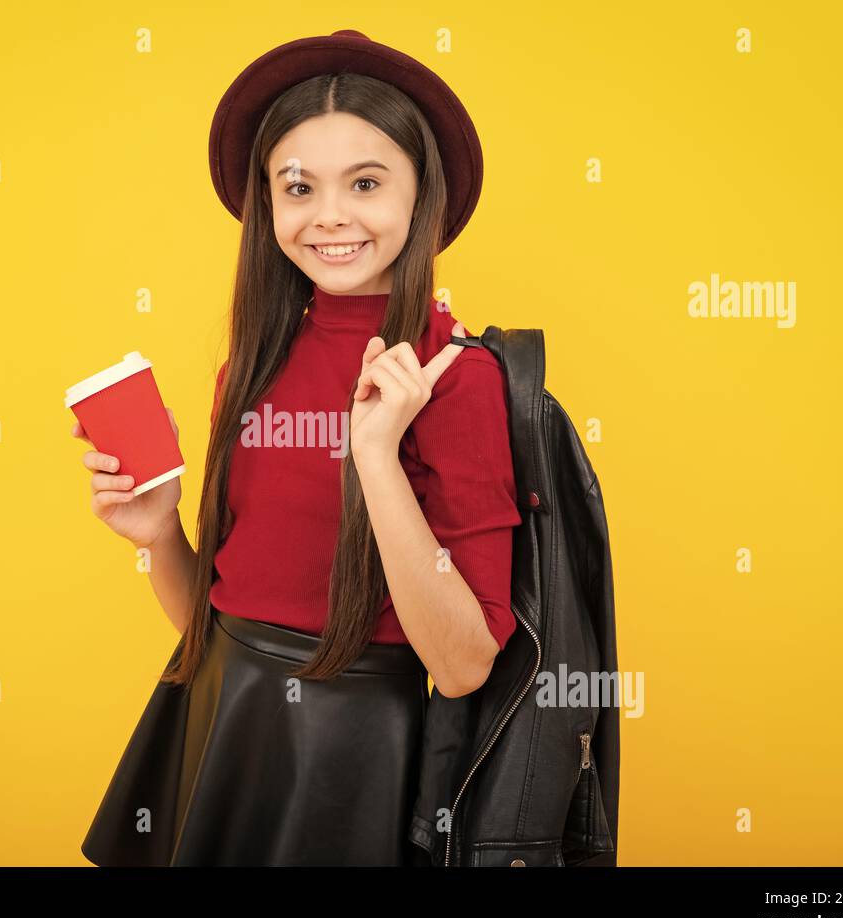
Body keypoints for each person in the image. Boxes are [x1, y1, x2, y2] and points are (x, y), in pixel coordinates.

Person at [76, 29, 522, 866]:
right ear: (267, 204)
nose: (330, 216)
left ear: (419, 195)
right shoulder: (252, 363)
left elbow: (462, 666)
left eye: (365, 182)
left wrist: (377, 457)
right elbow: (216, 627)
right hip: (218, 720)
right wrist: (160, 534)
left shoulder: (455, 377)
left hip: (351, 760)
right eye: (298, 187)